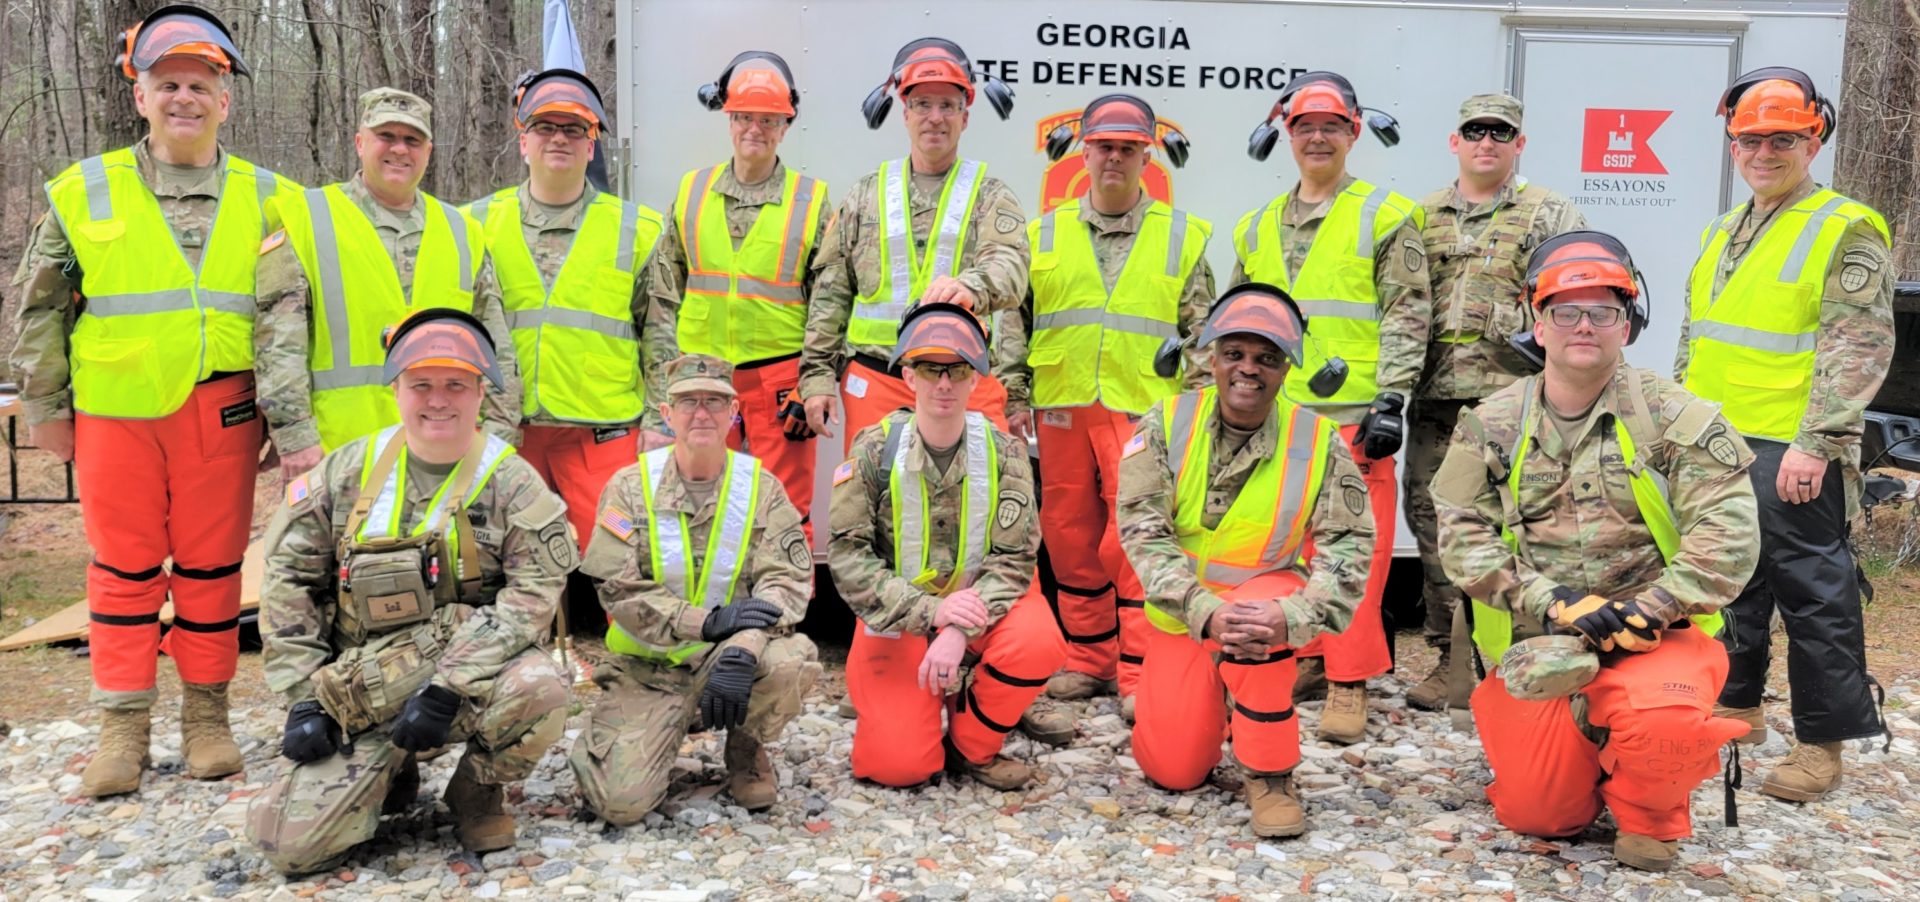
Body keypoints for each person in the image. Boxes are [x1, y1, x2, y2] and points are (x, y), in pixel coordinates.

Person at [6, 4, 301, 797]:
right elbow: (39, 305)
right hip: (115, 415)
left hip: (223, 412)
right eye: (167, 83)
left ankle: (207, 719)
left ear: (225, 99)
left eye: (200, 85)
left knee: (212, 572)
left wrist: (284, 408)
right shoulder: (84, 188)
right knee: (123, 571)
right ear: (140, 94)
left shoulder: (272, 196)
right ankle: (121, 731)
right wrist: (45, 408)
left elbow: (285, 313)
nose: (184, 98)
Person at [1434, 231, 1758, 871]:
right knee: (1541, 816)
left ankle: (1648, 811)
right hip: (1544, 637)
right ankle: (1590, 733)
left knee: (1665, 723)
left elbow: (1729, 531)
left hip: (1657, 635)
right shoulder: (1490, 423)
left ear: (1627, 326)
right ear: (1540, 324)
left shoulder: (1673, 417)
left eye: (1604, 311)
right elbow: (1459, 531)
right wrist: (1549, 600)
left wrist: (1656, 606)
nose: (1585, 325)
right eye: (1566, 310)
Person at [246, 309, 573, 874]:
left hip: (462, 680)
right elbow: (288, 582)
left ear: (480, 394)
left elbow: (532, 596)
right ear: (396, 389)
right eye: (421, 384)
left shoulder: (511, 480)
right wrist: (303, 696)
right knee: (289, 848)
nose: (439, 400)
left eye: (456, 385)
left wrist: (447, 686)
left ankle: (476, 793)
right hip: (360, 689)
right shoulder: (347, 471)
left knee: (541, 688)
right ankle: (392, 772)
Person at [1677, 66, 1894, 801]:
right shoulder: (1723, 229)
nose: (1764, 152)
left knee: (1813, 596)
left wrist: (1818, 441)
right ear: (1732, 143)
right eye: (1750, 140)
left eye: (1783, 139)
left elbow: (1857, 342)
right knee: (1730, 583)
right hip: (1715, 441)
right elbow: (1697, 341)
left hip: (1790, 444)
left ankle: (1821, 746)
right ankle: (1737, 707)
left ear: (1813, 138)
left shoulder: (1844, 226)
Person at [1117, 284, 1375, 838]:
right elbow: (1142, 534)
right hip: (1185, 617)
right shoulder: (1162, 424)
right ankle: (1212, 704)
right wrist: (1203, 610)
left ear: (1287, 369)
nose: (1248, 370)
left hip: (1265, 604)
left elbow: (1351, 547)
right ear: (1211, 358)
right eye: (1234, 353)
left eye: (1266, 358)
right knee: (1175, 771)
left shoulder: (1320, 440)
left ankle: (1271, 774)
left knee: (1258, 624)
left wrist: (1298, 616)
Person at [1231, 71, 1432, 742]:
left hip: (1353, 417)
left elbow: (1408, 315)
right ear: (1287, 135)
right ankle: (1311, 658)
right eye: (1304, 127)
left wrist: (1392, 402)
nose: (1317, 137)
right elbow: (1239, 324)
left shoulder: (1385, 213)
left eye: (1331, 126)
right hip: (1277, 419)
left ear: (1353, 133)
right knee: (1290, 545)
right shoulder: (1256, 224)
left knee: (1354, 553)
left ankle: (1350, 682)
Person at [1002, 93, 1215, 716]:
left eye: (1128, 148)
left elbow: (1201, 333)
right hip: (1062, 406)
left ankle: (1139, 669)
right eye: (1104, 147)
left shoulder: (1183, 235)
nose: (1114, 158)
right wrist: (1015, 393)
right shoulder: (1042, 233)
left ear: (1147, 155)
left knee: (1137, 540)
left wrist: (1198, 413)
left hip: (1144, 413)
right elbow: (1014, 322)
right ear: (1084, 151)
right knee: (1069, 536)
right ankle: (1088, 659)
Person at [570, 354, 821, 822]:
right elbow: (617, 589)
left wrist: (743, 646)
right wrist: (703, 622)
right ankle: (627, 739)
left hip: (724, 664)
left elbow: (786, 581)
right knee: (621, 807)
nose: (701, 413)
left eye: (714, 402)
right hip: (646, 668)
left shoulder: (762, 488)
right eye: (688, 402)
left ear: (734, 414)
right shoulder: (629, 487)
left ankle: (745, 750)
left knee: (791, 659)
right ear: (667, 415)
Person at [830, 303, 1068, 789]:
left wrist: (959, 625)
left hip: (978, 612)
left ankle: (970, 744)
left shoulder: (1005, 453)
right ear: (908, 374)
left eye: (957, 370)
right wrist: (931, 614)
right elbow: (849, 559)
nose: (944, 383)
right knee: (899, 768)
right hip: (898, 617)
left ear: (976, 378)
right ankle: (913, 714)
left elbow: (1016, 558)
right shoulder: (873, 449)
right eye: (930, 368)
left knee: (1038, 641)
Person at [1404, 93, 1585, 711]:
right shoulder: (1421, 214)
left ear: (1519, 144)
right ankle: (1447, 660)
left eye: (1500, 133)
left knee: (1523, 530)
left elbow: (1572, 294)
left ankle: (1521, 656)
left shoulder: (1550, 212)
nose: (1487, 141)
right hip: (1434, 402)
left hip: (1516, 403)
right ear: (1455, 141)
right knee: (1437, 524)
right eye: (1474, 131)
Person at [255, 87, 519, 466]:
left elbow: (495, 346)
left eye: (412, 140)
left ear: (428, 151)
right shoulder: (306, 218)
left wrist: (497, 434)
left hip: (447, 451)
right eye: (386, 136)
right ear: (360, 143)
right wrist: (296, 438)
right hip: (340, 454)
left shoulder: (464, 231)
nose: (400, 149)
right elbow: (278, 344)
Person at [466, 68, 669, 551]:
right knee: (505, 568)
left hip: (603, 434)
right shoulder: (472, 224)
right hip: (505, 431)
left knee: (622, 568)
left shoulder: (639, 228)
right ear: (522, 141)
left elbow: (662, 333)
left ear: (591, 144)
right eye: (544, 127)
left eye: (574, 128)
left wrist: (661, 425)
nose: (559, 138)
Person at [800, 37, 1028, 443]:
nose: (935, 117)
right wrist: (817, 378)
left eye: (947, 106)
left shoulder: (991, 195)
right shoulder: (864, 195)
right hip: (879, 379)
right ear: (905, 114)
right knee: (872, 499)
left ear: (965, 117)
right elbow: (830, 294)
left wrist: (970, 287)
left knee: (979, 493)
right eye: (923, 105)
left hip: (961, 377)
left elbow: (1010, 268)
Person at [653, 52, 830, 533]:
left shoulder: (811, 199)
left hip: (778, 381)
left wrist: (813, 383)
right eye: (745, 117)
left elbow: (828, 306)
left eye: (768, 119)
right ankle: (708, 608)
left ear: (785, 125)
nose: (756, 128)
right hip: (703, 379)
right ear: (729, 120)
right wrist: (662, 384)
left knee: (786, 513)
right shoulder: (692, 190)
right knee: (702, 503)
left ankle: (784, 608)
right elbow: (662, 293)